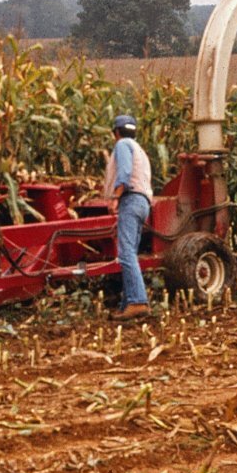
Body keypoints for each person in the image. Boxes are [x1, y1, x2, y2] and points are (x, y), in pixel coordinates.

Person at [104, 114, 154, 320]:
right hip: (142, 202)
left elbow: (124, 173)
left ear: (116, 133)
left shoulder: (122, 145)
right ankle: (128, 303)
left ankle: (137, 302)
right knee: (130, 253)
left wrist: (115, 197)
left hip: (130, 200)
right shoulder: (139, 149)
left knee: (125, 253)